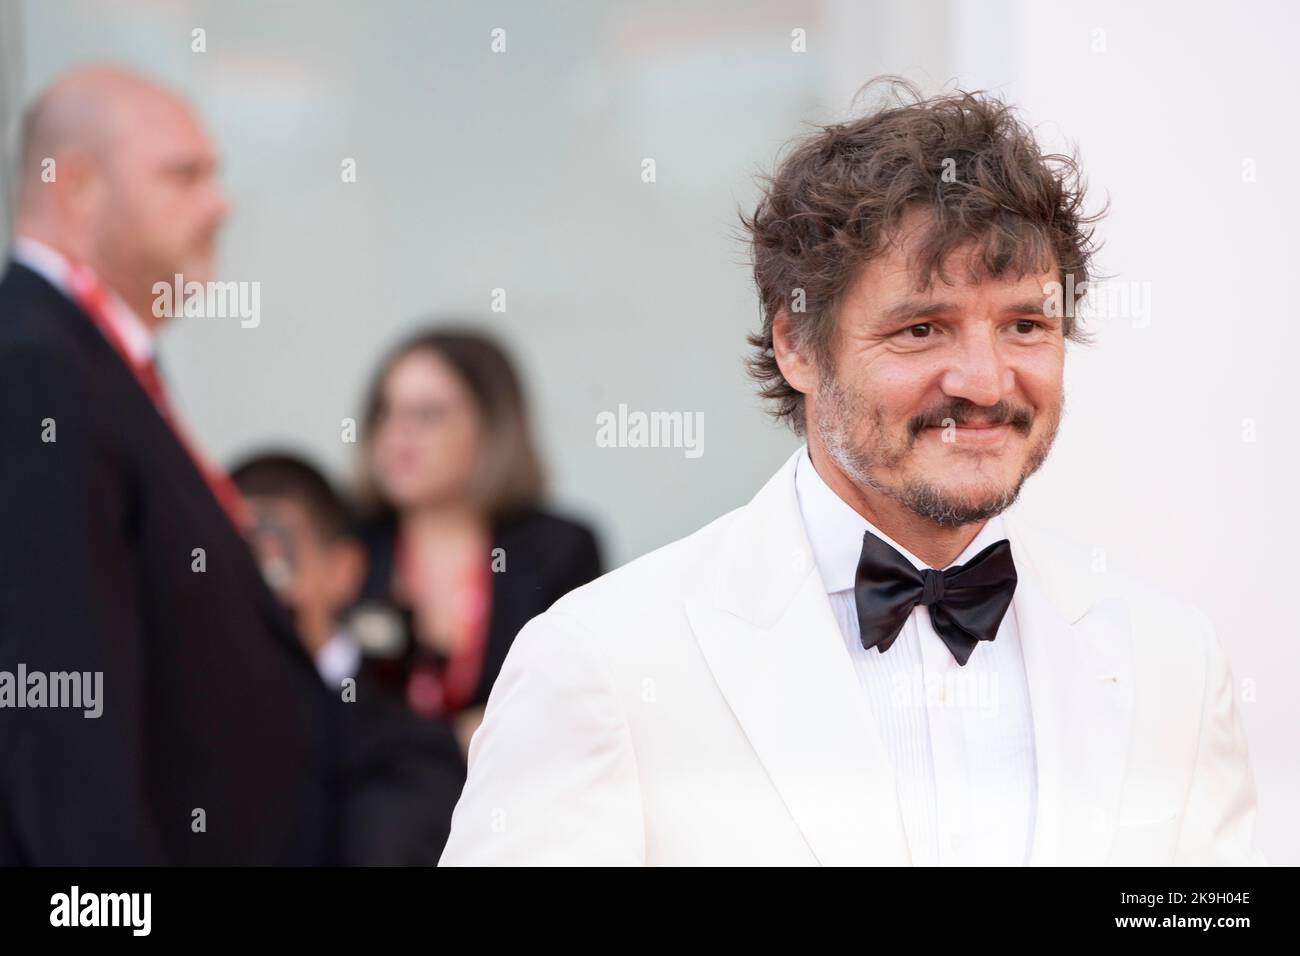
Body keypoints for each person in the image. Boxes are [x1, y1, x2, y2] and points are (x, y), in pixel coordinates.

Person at [440, 80, 1264, 866]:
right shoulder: (600, 665)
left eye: (1023, 325)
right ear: (797, 345)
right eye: (921, 329)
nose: (983, 381)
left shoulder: (1171, 663)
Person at [0, 65, 333, 864]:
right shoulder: (37, 367)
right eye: (183, 175)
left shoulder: (90, 363)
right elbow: (59, 708)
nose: (221, 204)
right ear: (75, 189)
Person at [353, 327, 602, 756]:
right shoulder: (349, 546)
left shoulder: (558, 549)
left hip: (516, 804)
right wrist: (454, 738)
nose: (398, 434)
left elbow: (575, 710)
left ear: (492, 427)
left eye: (428, 414)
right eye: (385, 412)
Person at [231, 453, 466, 864]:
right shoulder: (174, 727)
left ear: (343, 571)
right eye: (233, 562)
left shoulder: (409, 752)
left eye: (278, 559)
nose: (256, 594)